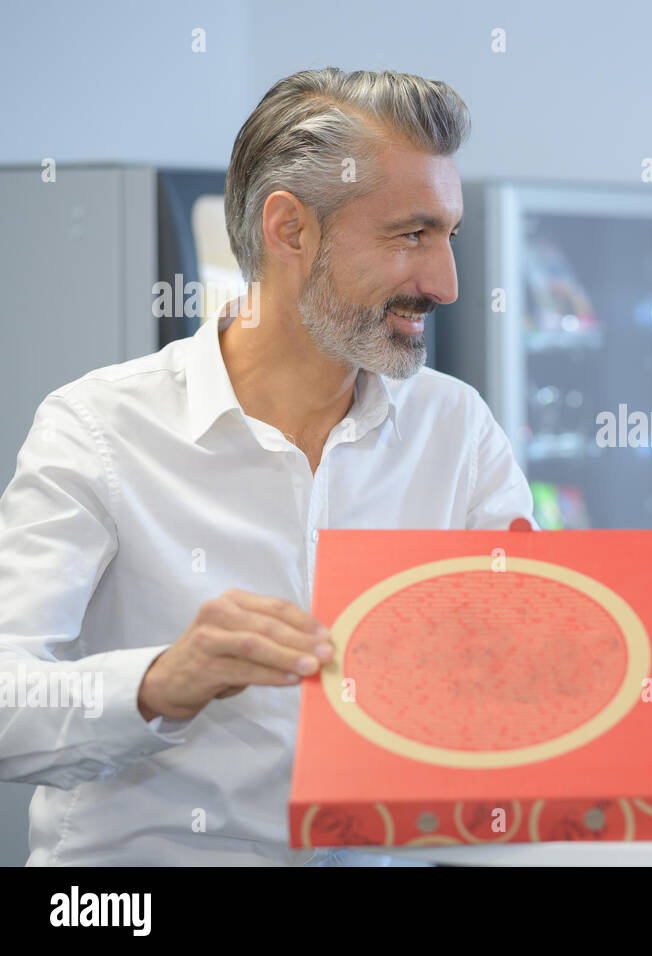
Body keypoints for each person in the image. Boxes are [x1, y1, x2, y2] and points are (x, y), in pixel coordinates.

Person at [0, 68, 533, 865]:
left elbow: (522, 695)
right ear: (290, 231)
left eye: (449, 236)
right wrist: (158, 682)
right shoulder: (99, 428)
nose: (445, 284)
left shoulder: (456, 428)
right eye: (411, 235)